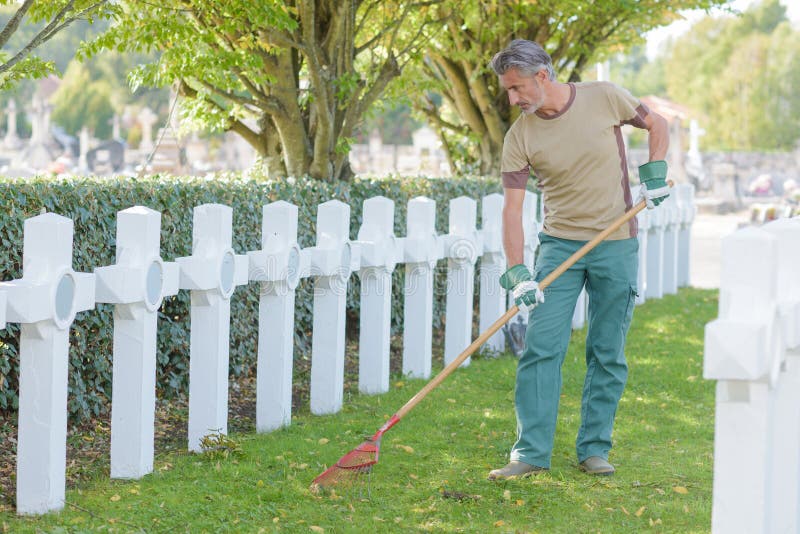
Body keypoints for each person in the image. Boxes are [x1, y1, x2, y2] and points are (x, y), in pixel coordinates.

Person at [487, 40, 670, 479]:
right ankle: (530, 453)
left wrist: (656, 172)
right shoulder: (520, 136)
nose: (513, 99)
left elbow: (657, 124)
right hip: (560, 247)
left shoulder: (604, 97)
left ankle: (594, 448)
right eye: (508, 91)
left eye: (516, 88)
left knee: (607, 351)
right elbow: (512, 211)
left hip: (616, 241)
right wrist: (518, 273)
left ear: (542, 77)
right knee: (541, 347)